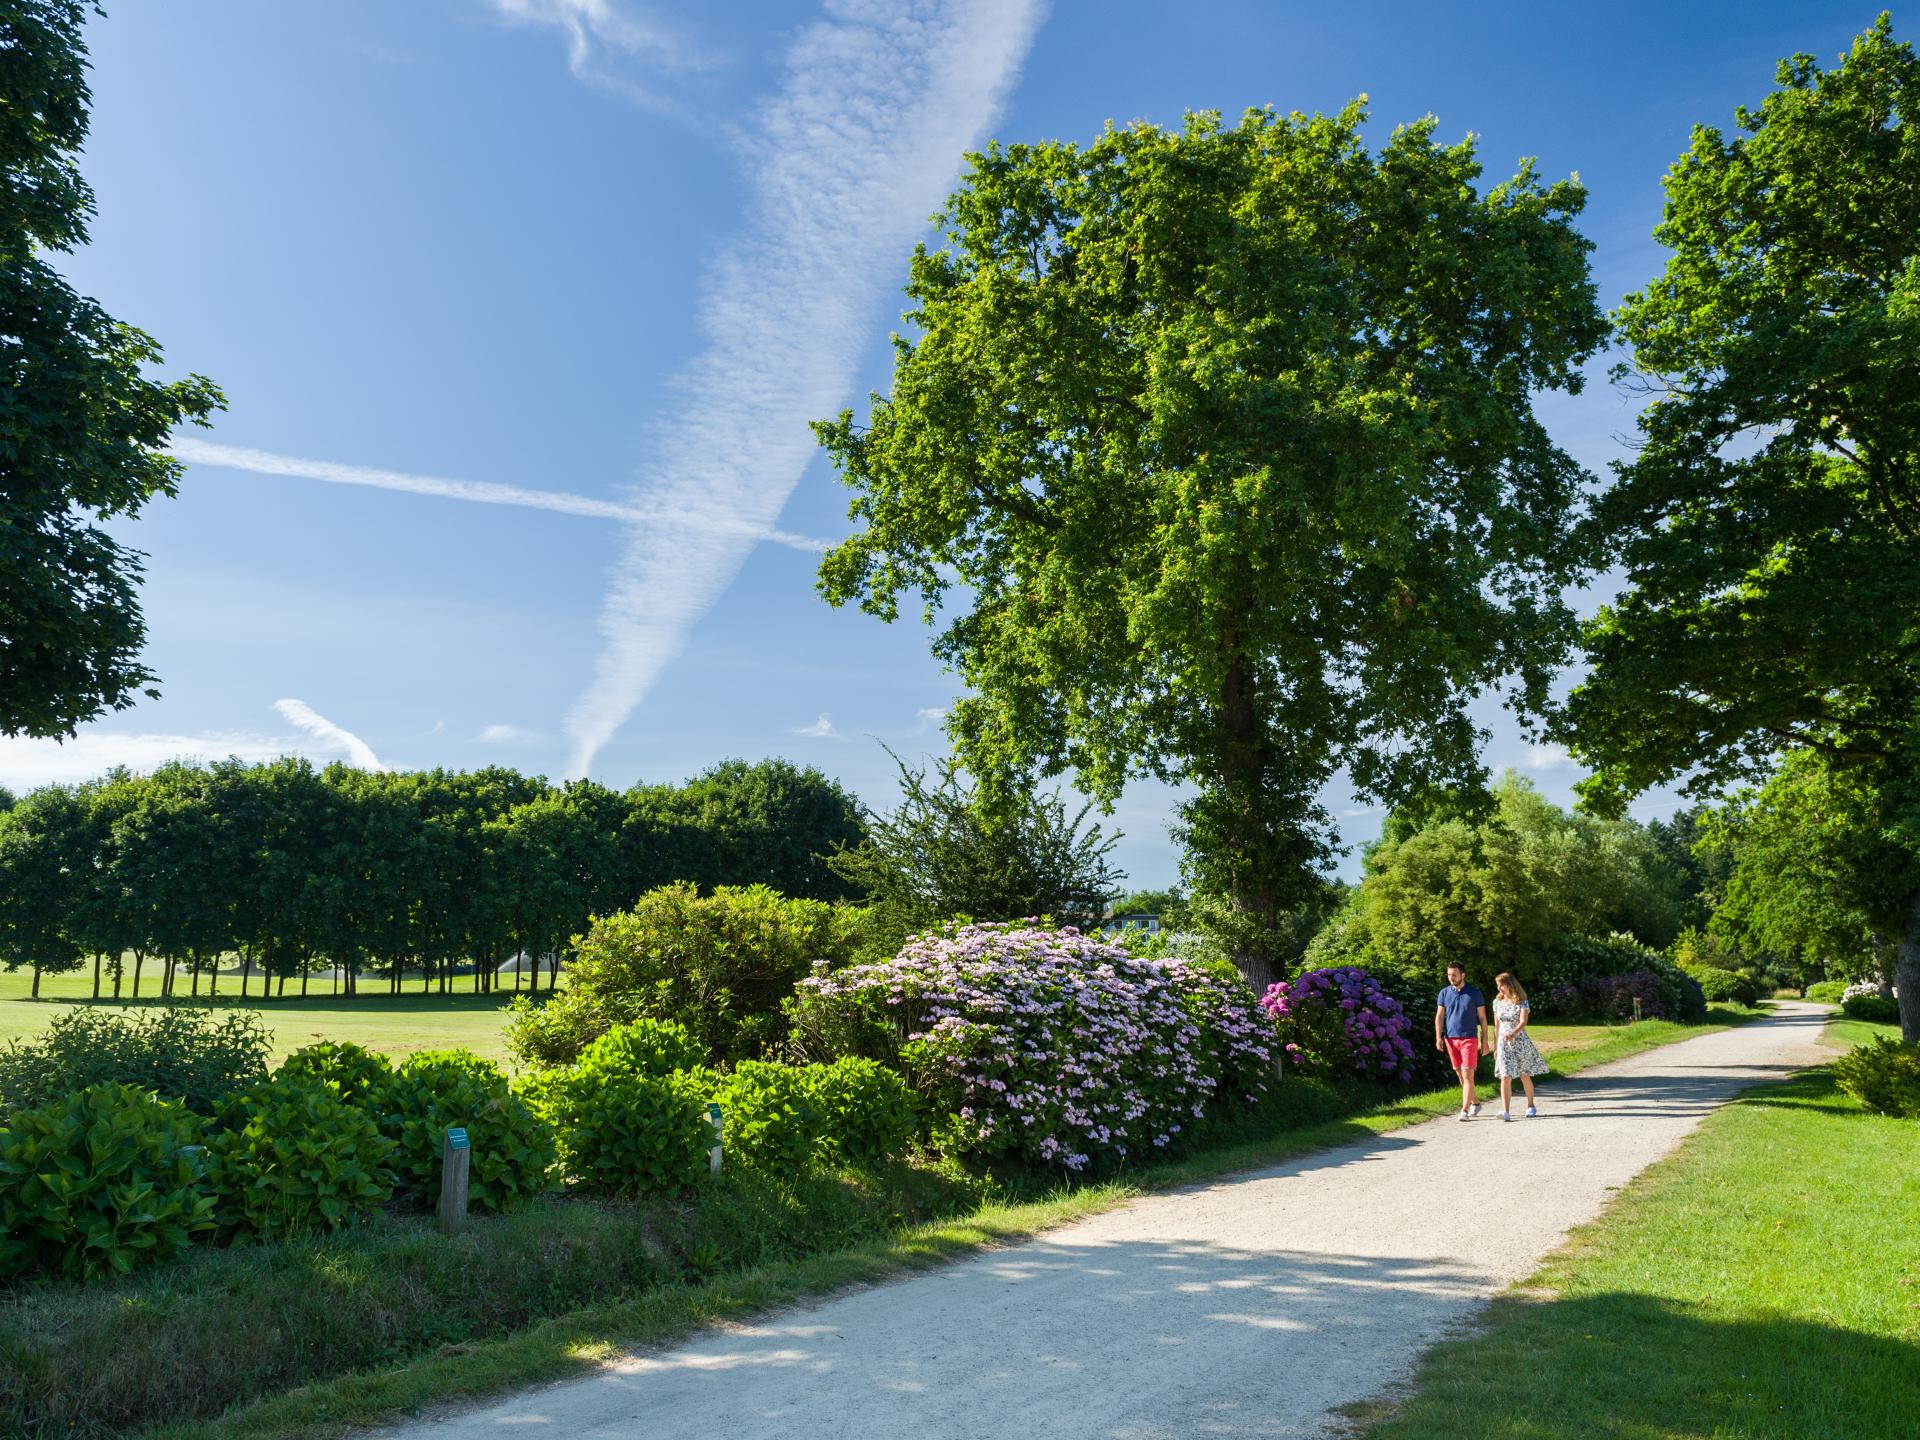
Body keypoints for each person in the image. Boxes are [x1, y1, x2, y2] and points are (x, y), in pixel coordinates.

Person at [1491, 971, 1550, 1120]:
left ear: (1510, 985)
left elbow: (1523, 1022)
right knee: (1505, 1076)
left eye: (1501, 985)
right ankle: (1505, 1111)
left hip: (1520, 1042)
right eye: (1498, 985)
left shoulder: (1522, 1002)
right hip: (1503, 1044)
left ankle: (1531, 1105)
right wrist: (1496, 1046)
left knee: (1524, 1075)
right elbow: (1496, 1026)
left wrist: (1513, 1033)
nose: (1499, 988)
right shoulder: (1497, 1002)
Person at [1434, 962, 1489, 1120]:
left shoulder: (1474, 993)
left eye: (1454, 975)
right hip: (1450, 1038)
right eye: (1449, 975)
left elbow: (1483, 1018)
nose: (1451, 978)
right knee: (1460, 1073)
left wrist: (1485, 1040)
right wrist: (1438, 1037)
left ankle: (1464, 1110)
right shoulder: (1444, 993)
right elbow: (1439, 1017)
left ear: (1463, 975)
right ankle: (1475, 1103)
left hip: (1469, 1038)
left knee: (1467, 1073)